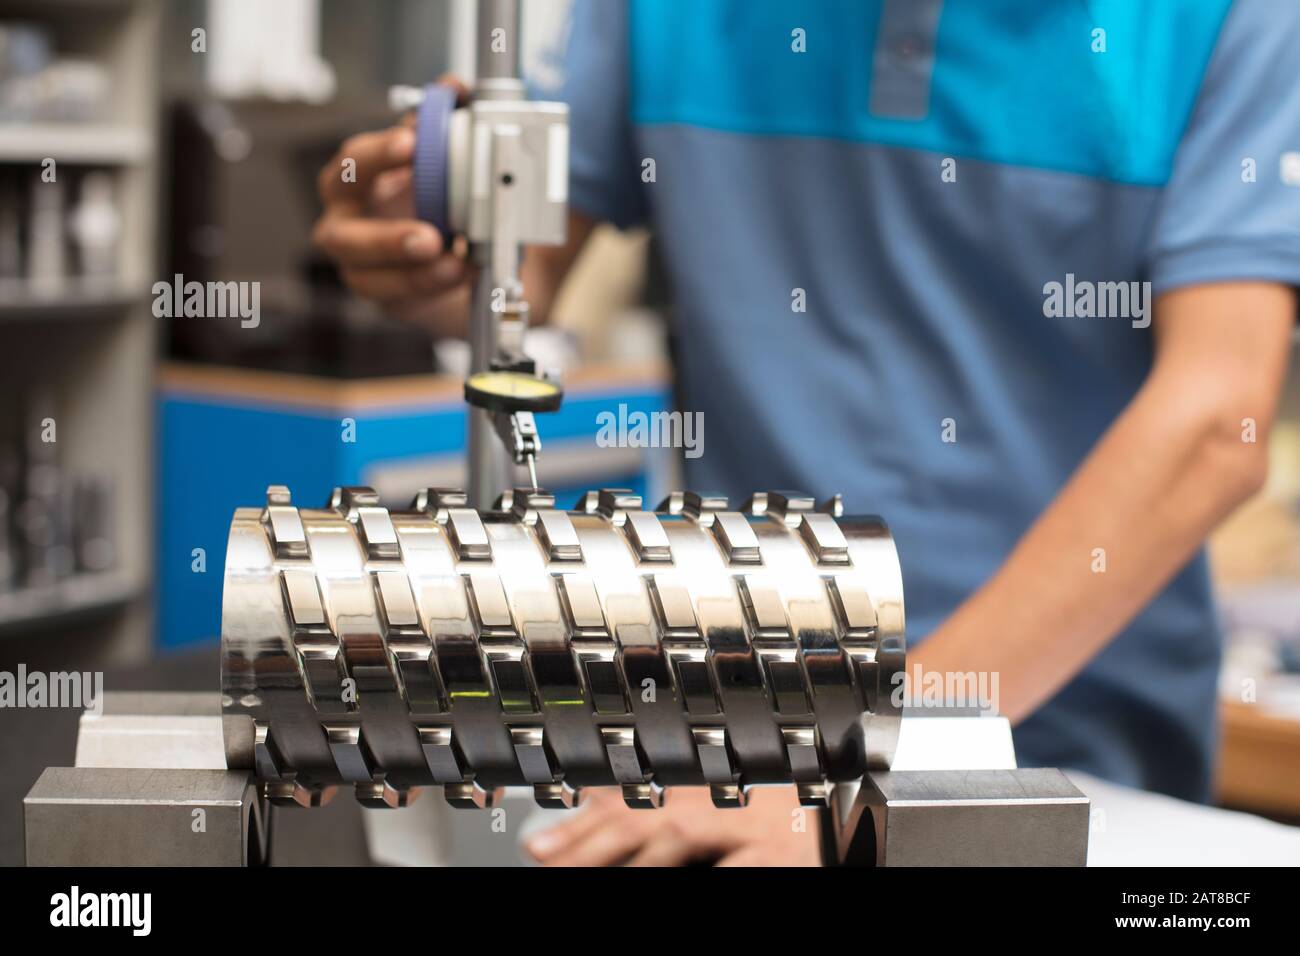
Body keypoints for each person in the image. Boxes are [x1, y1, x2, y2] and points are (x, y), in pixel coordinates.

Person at [313, 0, 1299, 865]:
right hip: (717, 723)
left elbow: (1216, 418)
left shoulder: (1231, 18)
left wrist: (873, 751)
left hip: (1055, 742)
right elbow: (511, 280)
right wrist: (425, 239)